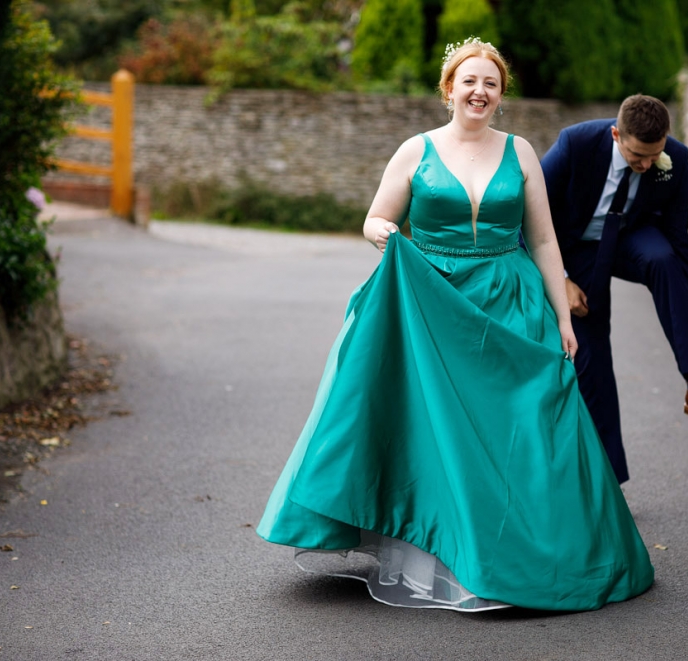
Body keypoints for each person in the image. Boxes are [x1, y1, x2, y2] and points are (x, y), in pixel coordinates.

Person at [256, 38, 653, 612]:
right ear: (449, 89)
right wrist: (383, 236)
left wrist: (563, 318)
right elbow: (375, 217)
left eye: (490, 83)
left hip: (510, 302)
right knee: (441, 435)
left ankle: (537, 557)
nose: (479, 91)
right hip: (435, 303)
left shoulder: (520, 154)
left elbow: (542, 239)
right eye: (469, 81)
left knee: (529, 424)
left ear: (500, 94)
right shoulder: (415, 151)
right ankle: (449, 555)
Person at [540, 95, 688, 486]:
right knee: (592, 354)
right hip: (574, 248)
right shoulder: (575, 143)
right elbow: (532, 211)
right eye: (637, 156)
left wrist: (683, 300)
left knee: (665, 261)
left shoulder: (676, 159)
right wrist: (560, 279)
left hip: (629, 240)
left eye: (654, 156)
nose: (647, 165)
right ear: (616, 135)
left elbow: (679, 237)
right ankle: (606, 481)